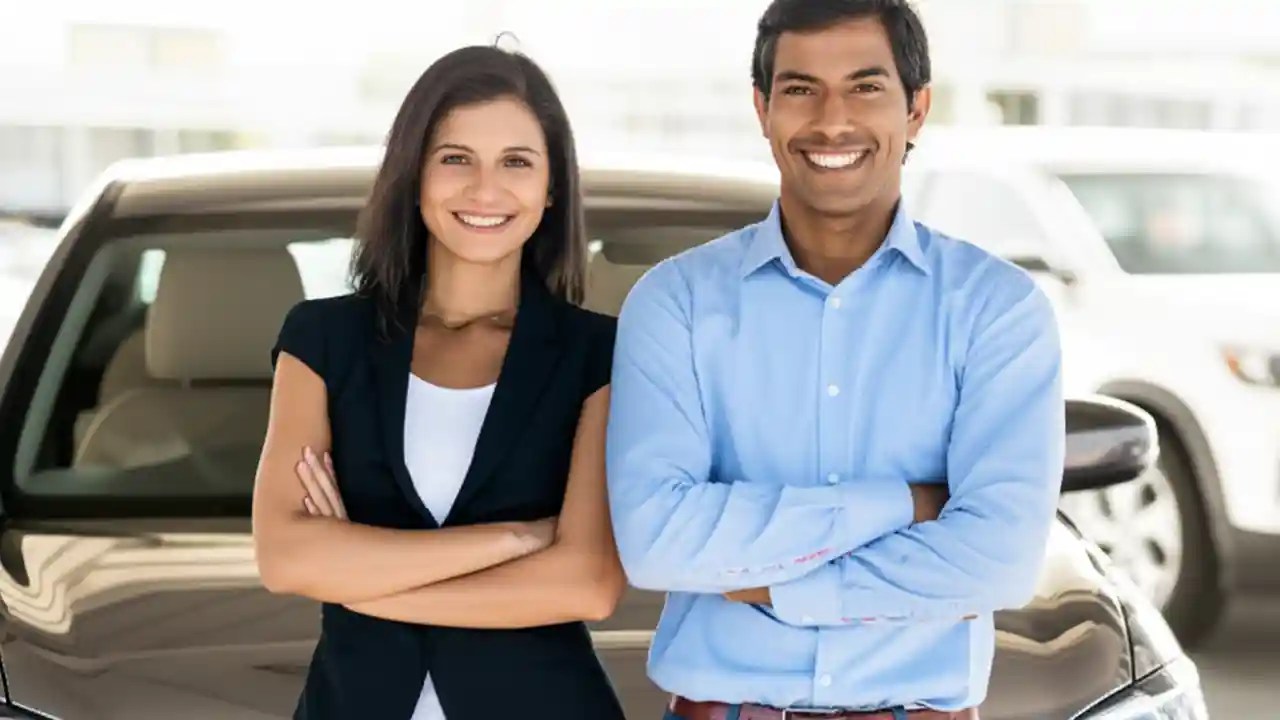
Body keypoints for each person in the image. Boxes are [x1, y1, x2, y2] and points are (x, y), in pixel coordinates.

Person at [605, 1, 1065, 719]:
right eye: (799, 89)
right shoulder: (676, 304)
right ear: (762, 109)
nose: (831, 119)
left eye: (865, 86)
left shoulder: (996, 310)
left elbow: (998, 559)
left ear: (917, 109)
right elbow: (659, 543)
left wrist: (776, 584)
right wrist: (907, 503)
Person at [252, 44, 627, 720]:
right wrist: (517, 539)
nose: (486, 190)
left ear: (552, 188)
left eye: (516, 161)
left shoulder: (599, 354)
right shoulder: (321, 341)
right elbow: (284, 556)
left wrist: (358, 579)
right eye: (456, 158)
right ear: (414, 175)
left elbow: (588, 582)